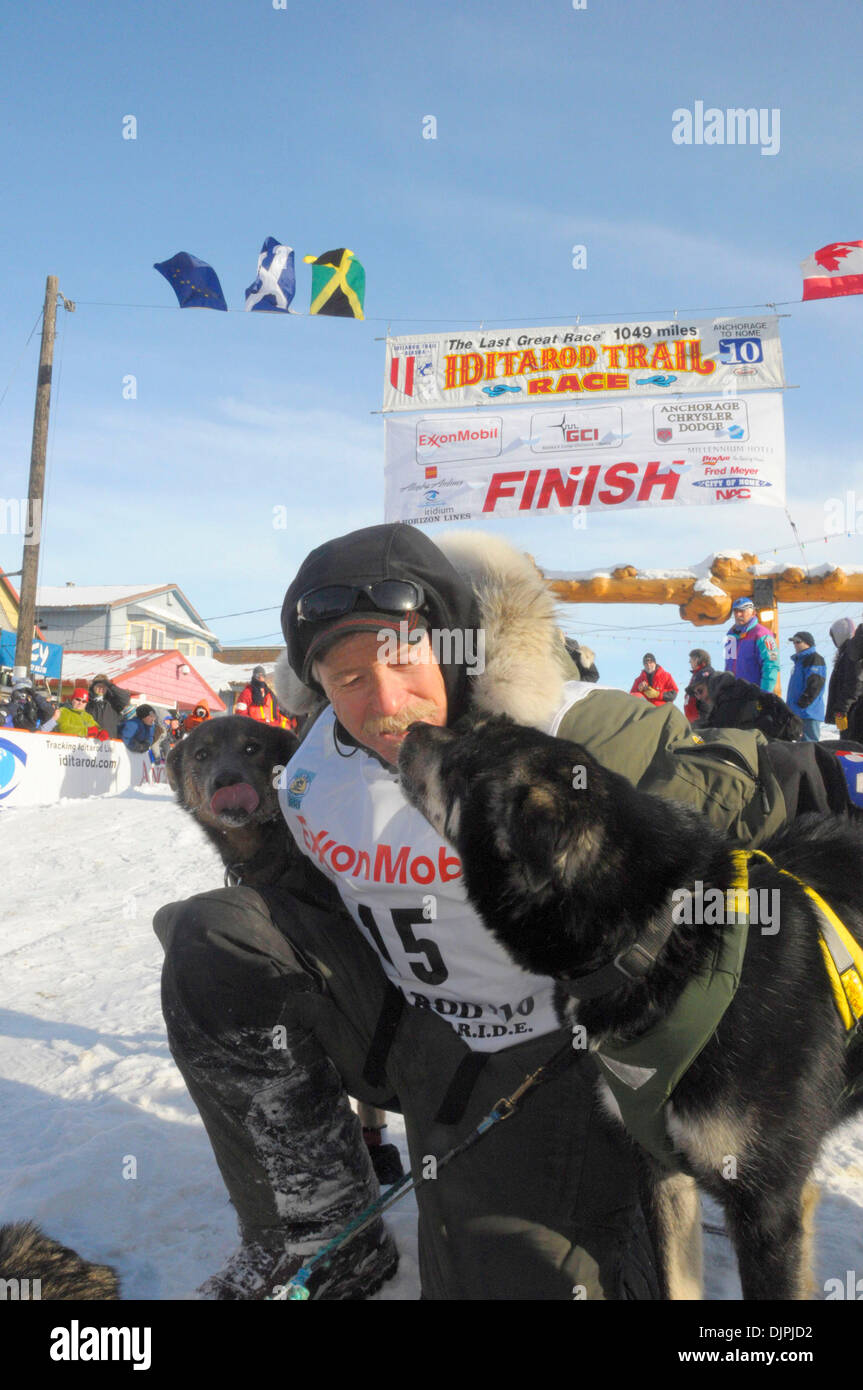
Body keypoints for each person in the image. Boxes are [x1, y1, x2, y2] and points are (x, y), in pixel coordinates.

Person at [692, 670, 803, 743]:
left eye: (700, 691)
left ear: (711, 685)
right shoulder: (731, 694)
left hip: (770, 750)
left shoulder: (731, 699)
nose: (699, 697)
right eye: (695, 694)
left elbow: (720, 733)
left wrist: (692, 733)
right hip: (769, 746)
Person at [724, 597, 780, 692]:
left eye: (742, 611)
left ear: (753, 613)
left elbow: (771, 665)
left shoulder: (762, 634)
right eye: (736, 611)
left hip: (753, 694)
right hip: (733, 695)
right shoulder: (731, 636)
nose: (738, 615)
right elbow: (728, 666)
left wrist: (765, 694)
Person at [826, 617, 863, 742]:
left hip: (855, 712)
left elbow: (854, 682)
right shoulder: (846, 653)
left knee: (853, 749)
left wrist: (842, 709)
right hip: (852, 709)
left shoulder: (851, 652)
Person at [785, 632, 826, 743]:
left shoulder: (813, 659)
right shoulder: (799, 661)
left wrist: (804, 702)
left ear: (808, 643)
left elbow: (816, 683)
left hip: (808, 712)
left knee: (809, 745)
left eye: (798, 641)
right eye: (793, 642)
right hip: (798, 712)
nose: (795, 644)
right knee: (800, 747)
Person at [235, 666, 296, 731]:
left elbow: (276, 713)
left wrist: (289, 723)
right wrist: (253, 726)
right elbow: (240, 714)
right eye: (258, 675)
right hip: (255, 730)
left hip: (271, 729)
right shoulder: (246, 693)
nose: (260, 678)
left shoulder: (269, 694)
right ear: (253, 676)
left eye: (263, 675)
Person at [86, 673, 131, 738]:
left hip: (109, 741)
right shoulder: (86, 701)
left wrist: (110, 685)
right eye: (98, 686)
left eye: (104, 686)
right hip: (91, 741)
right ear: (93, 687)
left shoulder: (113, 702)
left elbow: (125, 698)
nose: (101, 688)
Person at [683, 649, 713, 723]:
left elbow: (703, 694)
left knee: (699, 735)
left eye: (691, 659)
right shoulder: (697, 674)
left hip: (700, 718)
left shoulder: (706, 673)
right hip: (693, 719)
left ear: (697, 659)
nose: (689, 662)